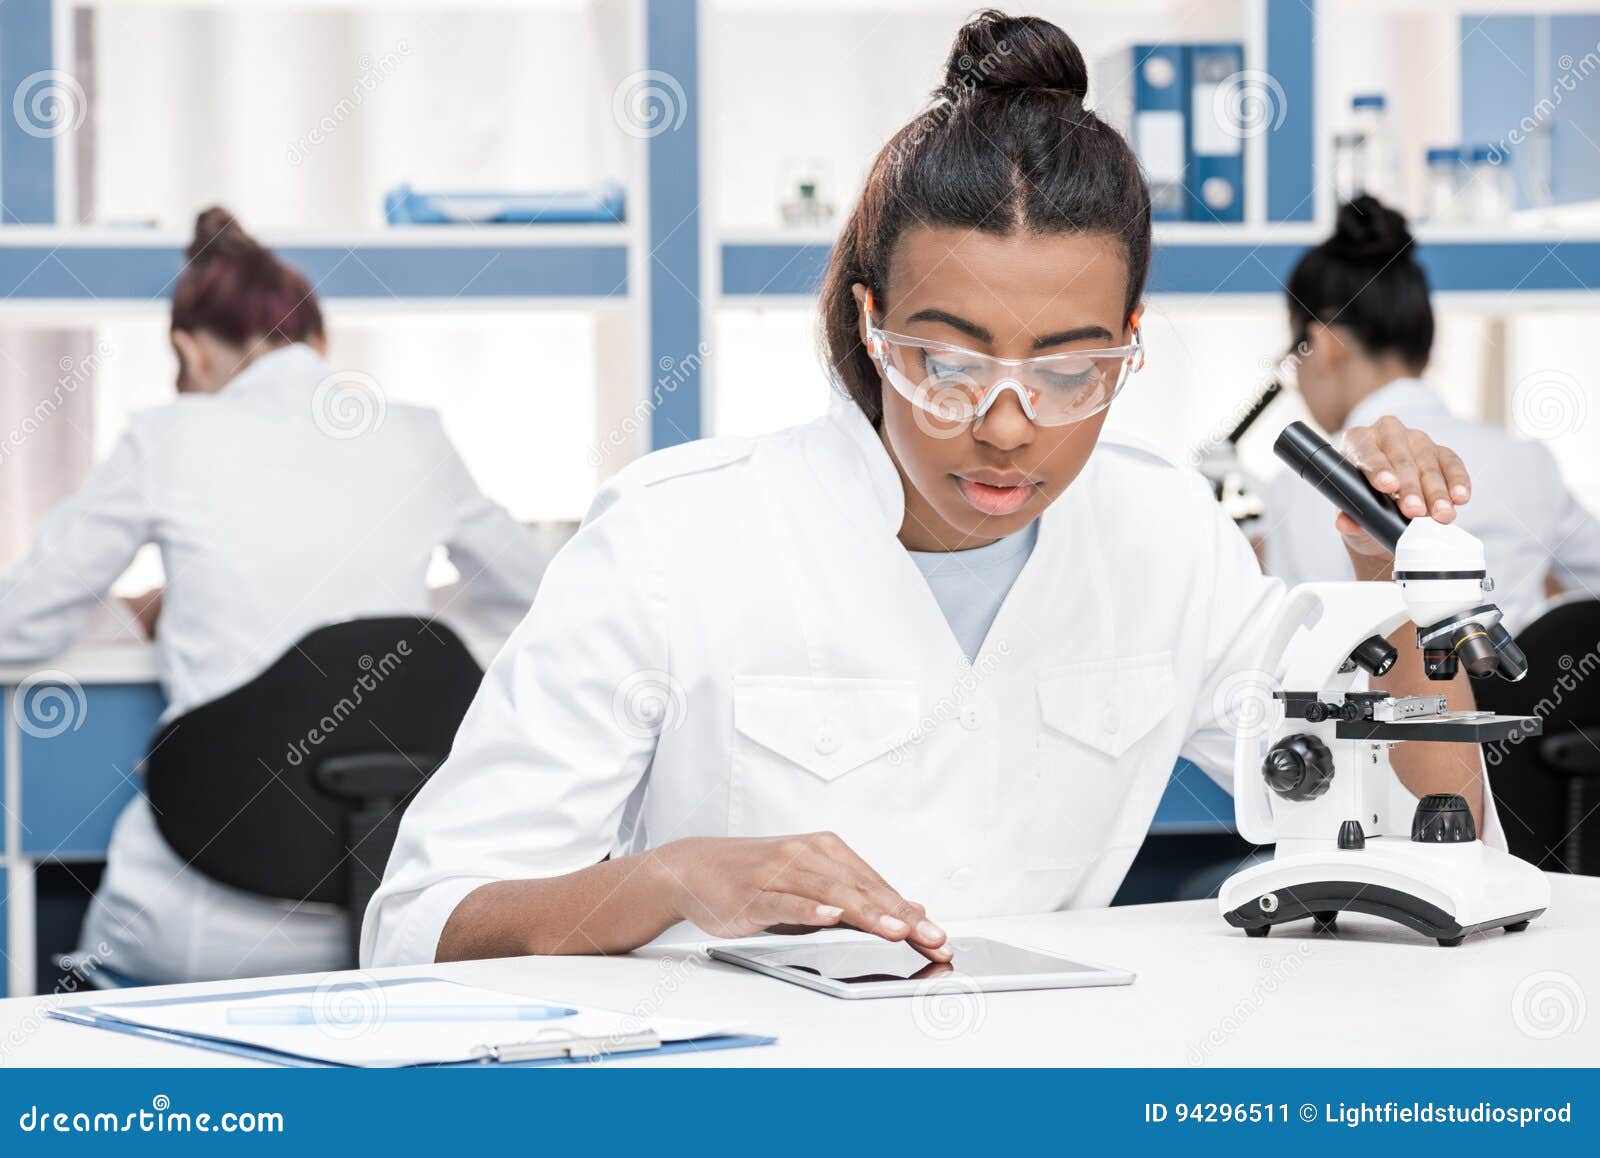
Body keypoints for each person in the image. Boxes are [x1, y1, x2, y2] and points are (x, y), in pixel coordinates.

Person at [364, 12, 1496, 969]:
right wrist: (675, 880)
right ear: (871, 322)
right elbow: (420, 926)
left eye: (1068, 373)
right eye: (946, 364)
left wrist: (1392, 587)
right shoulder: (675, 537)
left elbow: (1419, 843)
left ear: (1128, 343)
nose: (1005, 427)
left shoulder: (1165, 534)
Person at [0, 208, 548, 984]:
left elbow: (17, 622)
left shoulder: (167, 437)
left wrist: (139, 610)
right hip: (384, 918)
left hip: (195, 936)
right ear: (317, 345)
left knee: (96, 952)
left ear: (188, 350)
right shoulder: (416, 436)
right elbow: (539, 604)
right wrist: (399, 623)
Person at [1265, 195, 1600, 634]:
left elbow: (1292, 651)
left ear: (1322, 344)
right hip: (1519, 699)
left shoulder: (1299, 486)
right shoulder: (1527, 461)